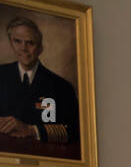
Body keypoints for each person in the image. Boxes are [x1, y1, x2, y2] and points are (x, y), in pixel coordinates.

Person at [0, 16, 79, 147]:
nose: (23, 48)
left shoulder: (61, 86)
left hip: (44, 155)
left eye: (30, 43)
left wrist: (31, 130)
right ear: (11, 43)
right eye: (17, 41)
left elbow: (75, 130)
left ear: (40, 48)